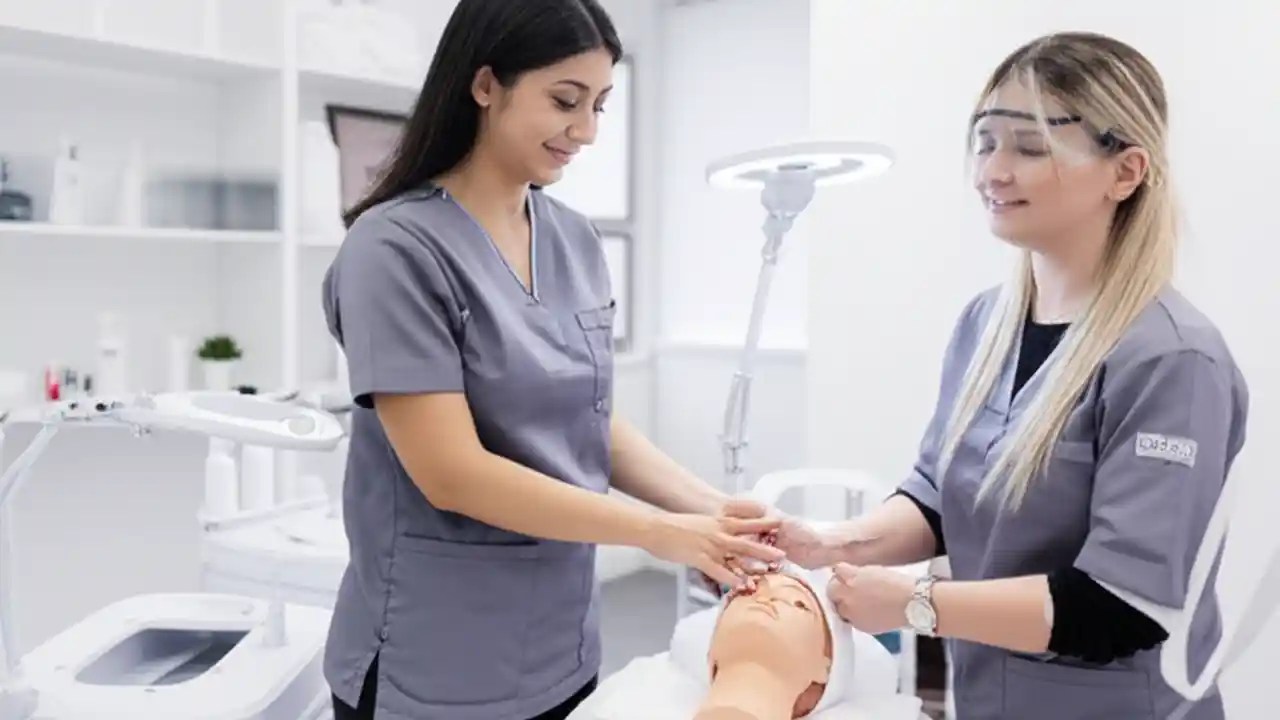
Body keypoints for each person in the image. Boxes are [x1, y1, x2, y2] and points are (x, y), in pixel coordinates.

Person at [730, 31, 1248, 719]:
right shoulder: (986, 324)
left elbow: (1120, 606)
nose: (992, 172)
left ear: (1125, 172)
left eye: (1029, 148)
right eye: (984, 142)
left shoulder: (1173, 361)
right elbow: (940, 500)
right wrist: (830, 541)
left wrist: (914, 603)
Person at [319, 1, 783, 718]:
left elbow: (586, 416)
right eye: (565, 101)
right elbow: (451, 474)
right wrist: (663, 534)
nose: (588, 131)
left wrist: (713, 511)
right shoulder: (394, 250)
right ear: (484, 86)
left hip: (559, 648)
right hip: (435, 657)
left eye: (600, 105)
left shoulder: (572, 239)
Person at [566, 566, 918, 720]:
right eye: (752, 591)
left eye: (798, 604)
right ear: (712, 648)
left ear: (824, 670)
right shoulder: (616, 709)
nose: (768, 598)